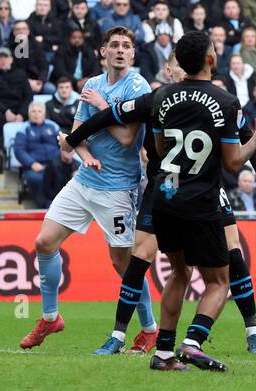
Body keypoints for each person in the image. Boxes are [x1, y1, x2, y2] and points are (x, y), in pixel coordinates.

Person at [87, 31, 256, 372]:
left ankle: (167, 351)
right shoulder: (218, 98)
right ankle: (190, 342)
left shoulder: (160, 97)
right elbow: (235, 157)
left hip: (167, 193)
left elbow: (156, 147)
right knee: (218, 277)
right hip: (200, 194)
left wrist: (75, 139)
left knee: (181, 270)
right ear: (207, 60)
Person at [16, 28, 156, 352]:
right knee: (44, 241)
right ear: (102, 51)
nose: (120, 51)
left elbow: (127, 139)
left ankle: (149, 329)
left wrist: (103, 105)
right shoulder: (91, 84)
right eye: (114, 46)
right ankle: (50, 318)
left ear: (133, 54)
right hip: (84, 180)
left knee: (124, 263)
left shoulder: (138, 86)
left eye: (126, 46)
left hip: (119, 187)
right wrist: (85, 155)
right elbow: (75, 136)